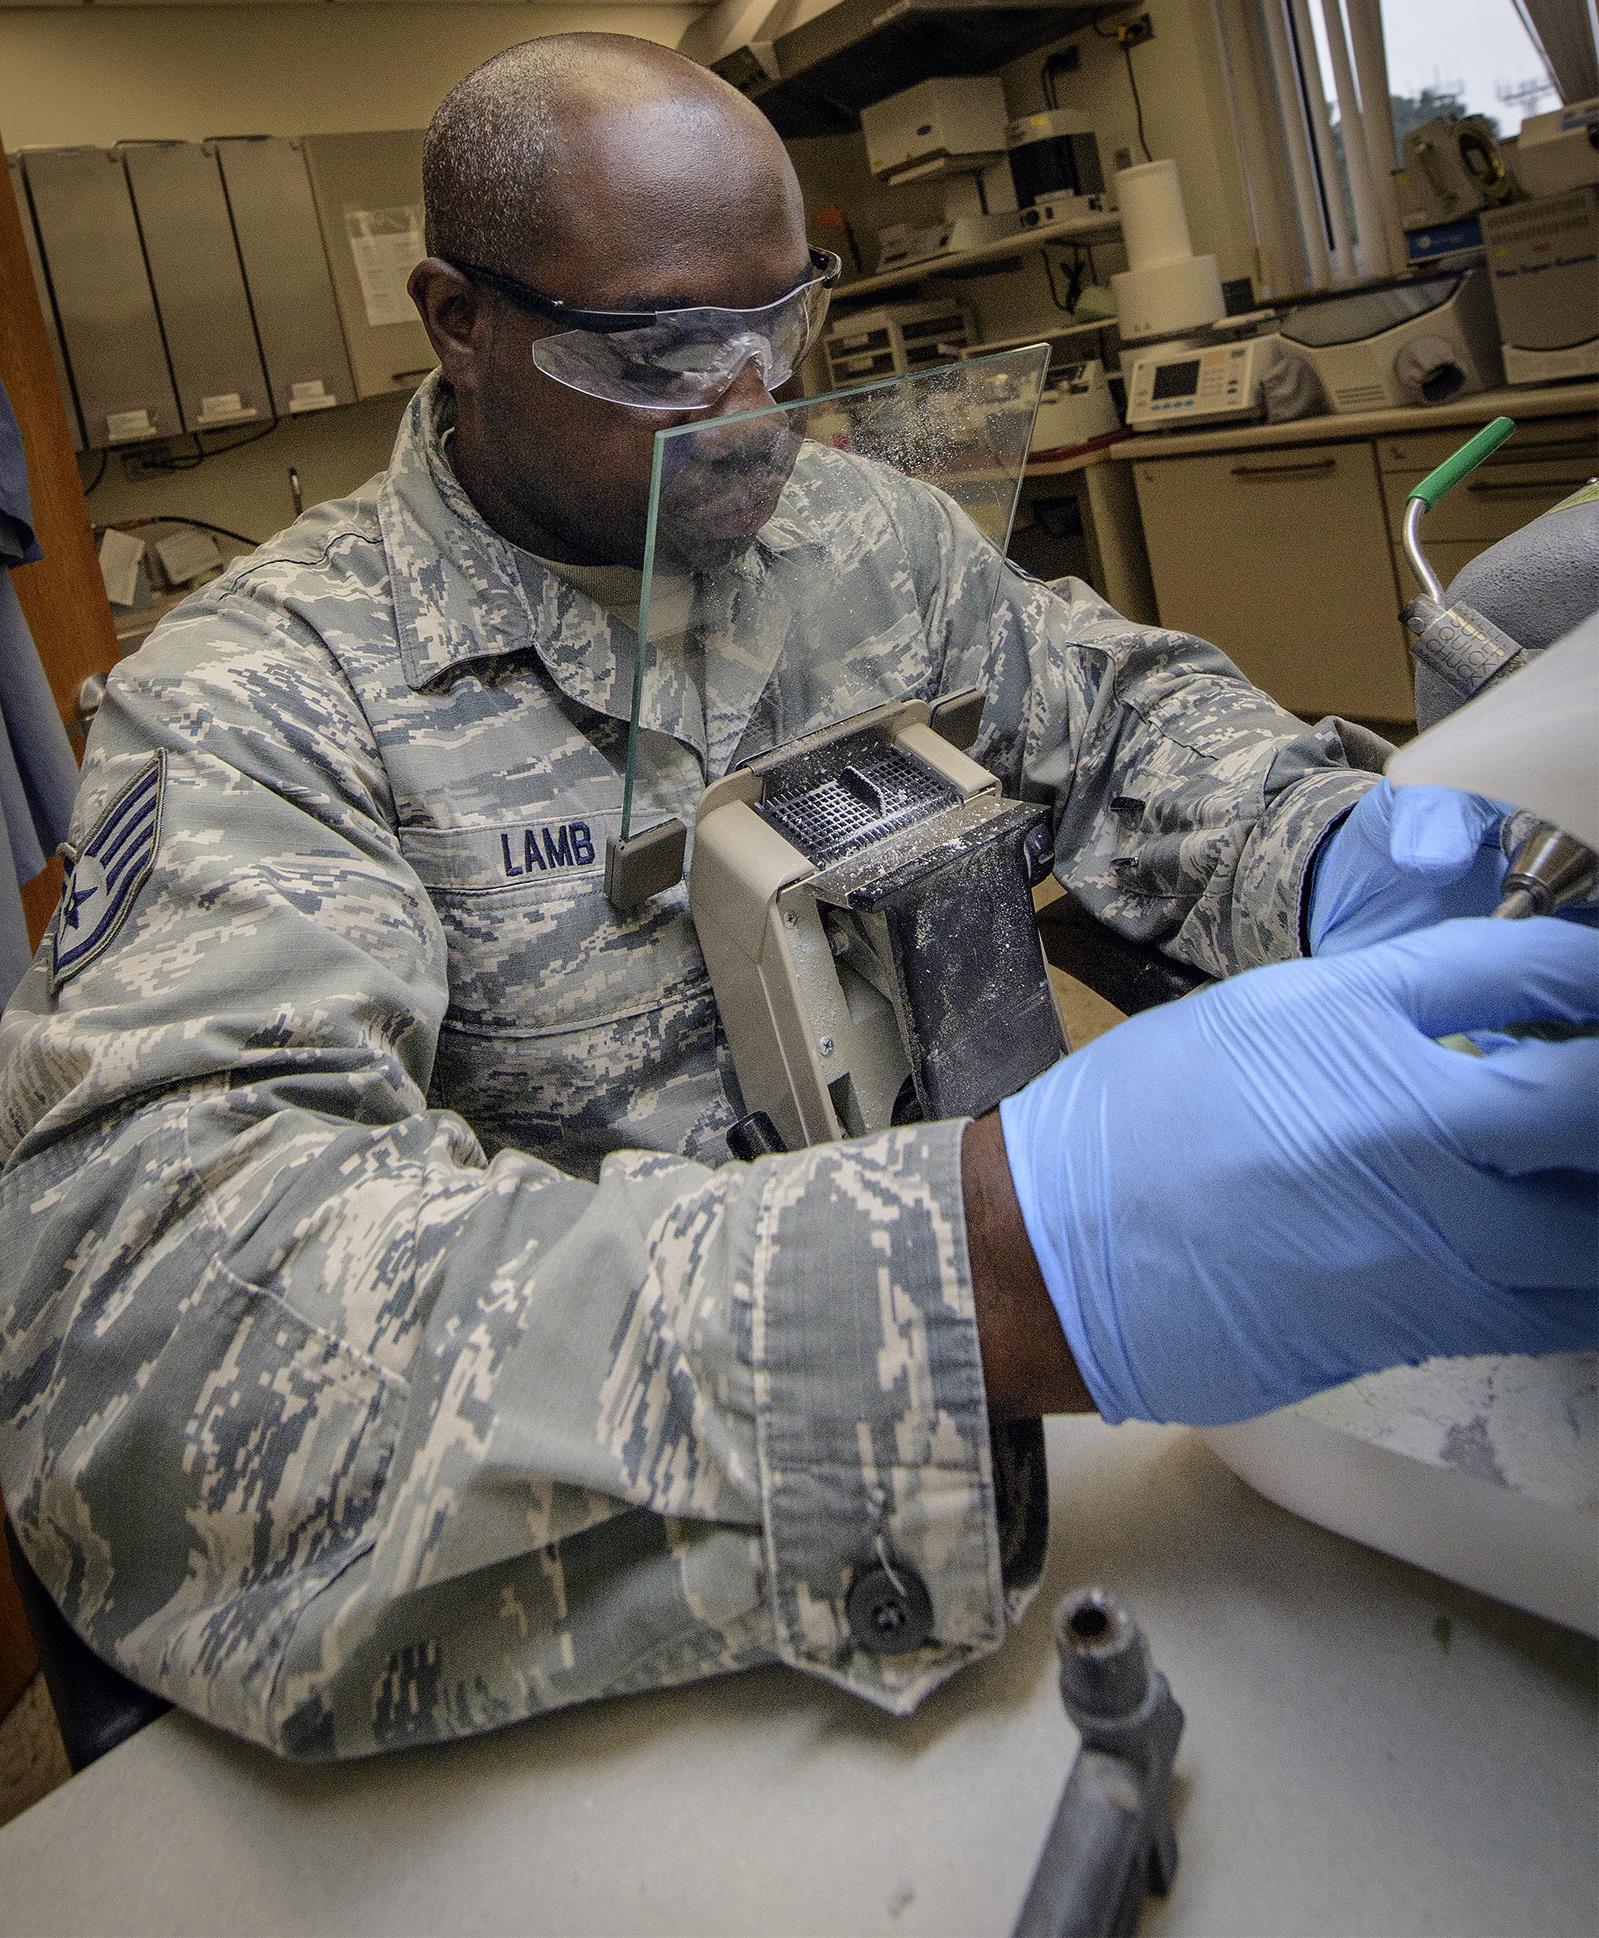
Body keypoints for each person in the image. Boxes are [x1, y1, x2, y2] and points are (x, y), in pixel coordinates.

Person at [0, 35, 1592, 1762]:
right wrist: (999, 1264)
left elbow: (1114, 712)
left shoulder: (852, 532)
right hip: (602, 1583)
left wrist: (1331, 846)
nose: (751, 399)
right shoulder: (268, 693)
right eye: (666, 348)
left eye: (782, 322)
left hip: (1038, 1475)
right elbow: (154, 1332)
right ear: (459, 319)